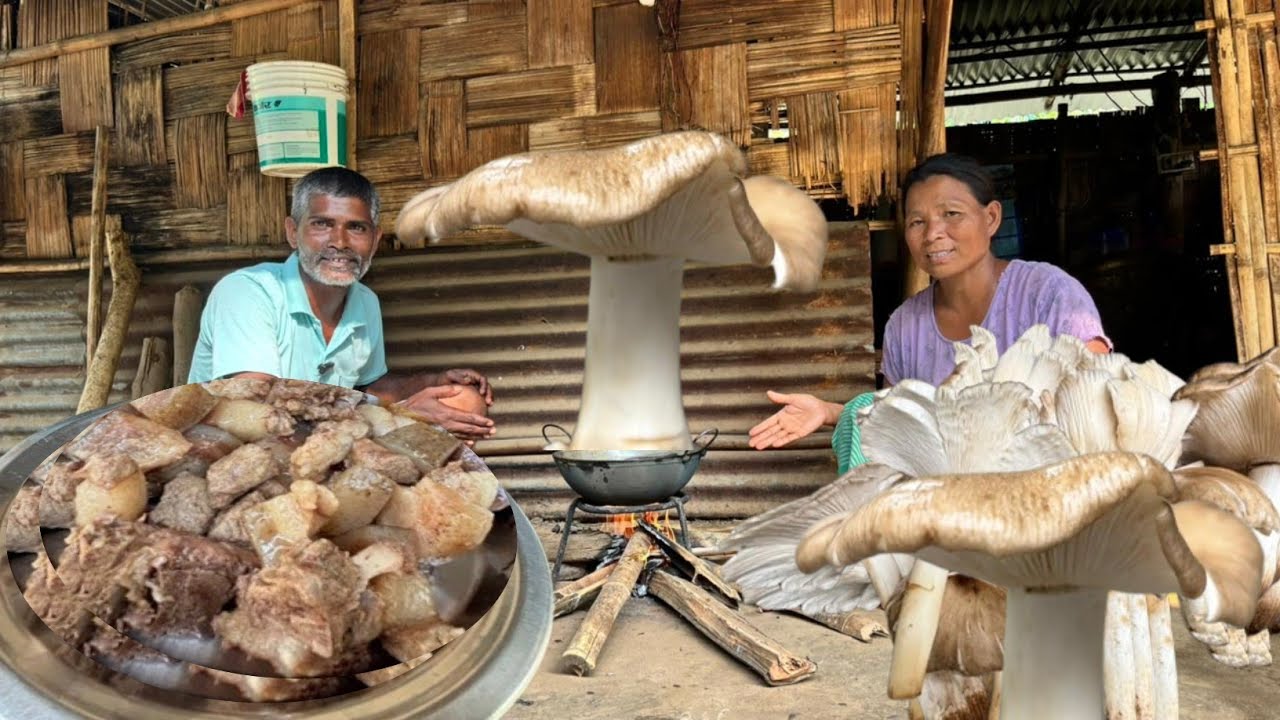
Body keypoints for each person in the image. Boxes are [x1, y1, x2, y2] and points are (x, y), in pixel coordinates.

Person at [748, 153, 1110, 455]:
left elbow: (1092, 397)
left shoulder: (1048, 293)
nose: (933, 233)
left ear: (991, 218)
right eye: (917, 221)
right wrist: (829, 412)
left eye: (951, 214)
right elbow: (896, 419)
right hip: (949, 505)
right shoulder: (906, 325)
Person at [188, 166, 496, 442]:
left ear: (375, 240)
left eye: (356, 227)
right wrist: (403, 416)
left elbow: (365, 388)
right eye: (322, 224)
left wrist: (432, 383)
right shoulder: (247, 292)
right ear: (293, 232)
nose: (340, 242)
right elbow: (257, 410)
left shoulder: (364, 302)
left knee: (462, 402)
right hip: (237, 452)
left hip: (318, 444)